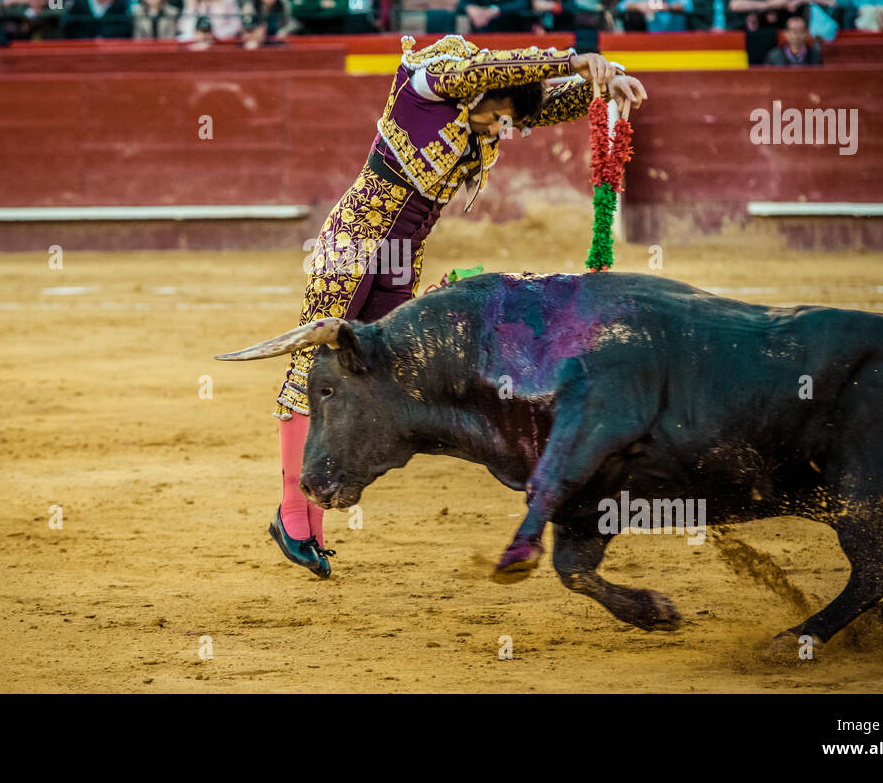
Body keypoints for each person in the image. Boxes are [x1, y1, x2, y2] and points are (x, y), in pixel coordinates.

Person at [262, 37, 646, 577]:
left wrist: (602, 83)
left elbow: (543, 100)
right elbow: (499, 67)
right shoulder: (431, 83)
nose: (497, 130)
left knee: (377, 372)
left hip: (401, 256)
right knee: (313, 365)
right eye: (495, 118)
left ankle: (320, 493)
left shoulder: (487, 106)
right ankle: (294, 514)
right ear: (477, 93)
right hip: (351, 244)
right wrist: (576, 59)